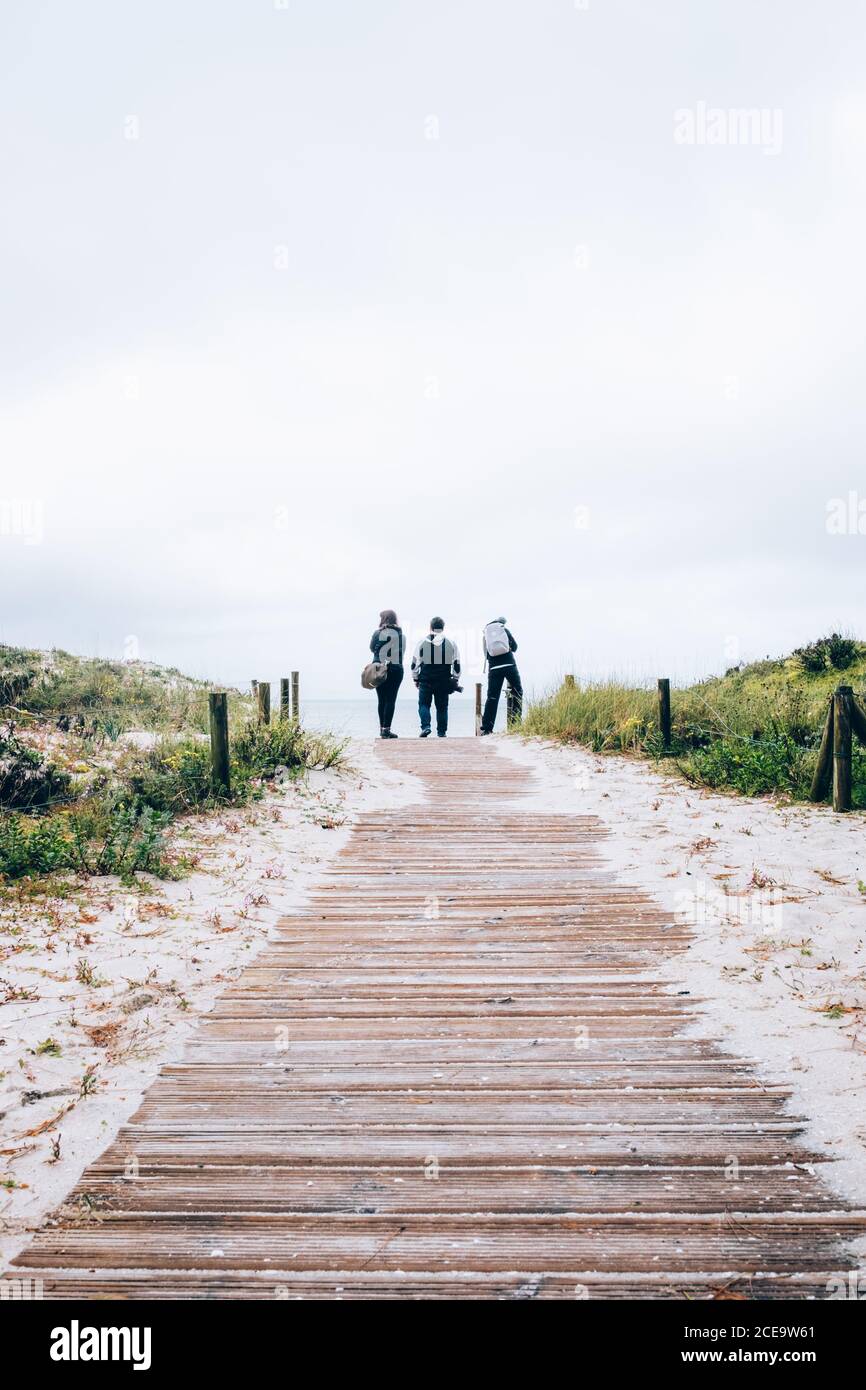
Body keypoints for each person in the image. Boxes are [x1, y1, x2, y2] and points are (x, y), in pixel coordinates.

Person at [411, 616, 461, 738]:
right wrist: (455, 679)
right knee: (442, 707)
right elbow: (457, 664)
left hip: (425, 680)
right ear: (443, 628)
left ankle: (426, 727)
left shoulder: (422, 643)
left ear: (430, 627)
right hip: (443, 681)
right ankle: (442, 732)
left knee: (424, 705)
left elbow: (414, 664)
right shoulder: (451, 643)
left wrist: (416, 678)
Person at [480, 616, 522, 735]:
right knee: (517, 692)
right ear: (502, 623)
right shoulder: (504, 630)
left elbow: (486, 655)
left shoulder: (486, 635)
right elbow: (515, 647)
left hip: (494, 668)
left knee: (492, 697)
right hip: (509, 665)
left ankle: (487, 728)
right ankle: (515, 725)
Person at [369, 608, 405, 738]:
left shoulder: (377, 633)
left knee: (381, 700)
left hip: (378, 668)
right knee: (391, 699)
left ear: (383, 619)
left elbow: (372, 648)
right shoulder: (401, 634)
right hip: (395, 668)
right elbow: (402, 651)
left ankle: (382, 729)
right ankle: (386, 729)